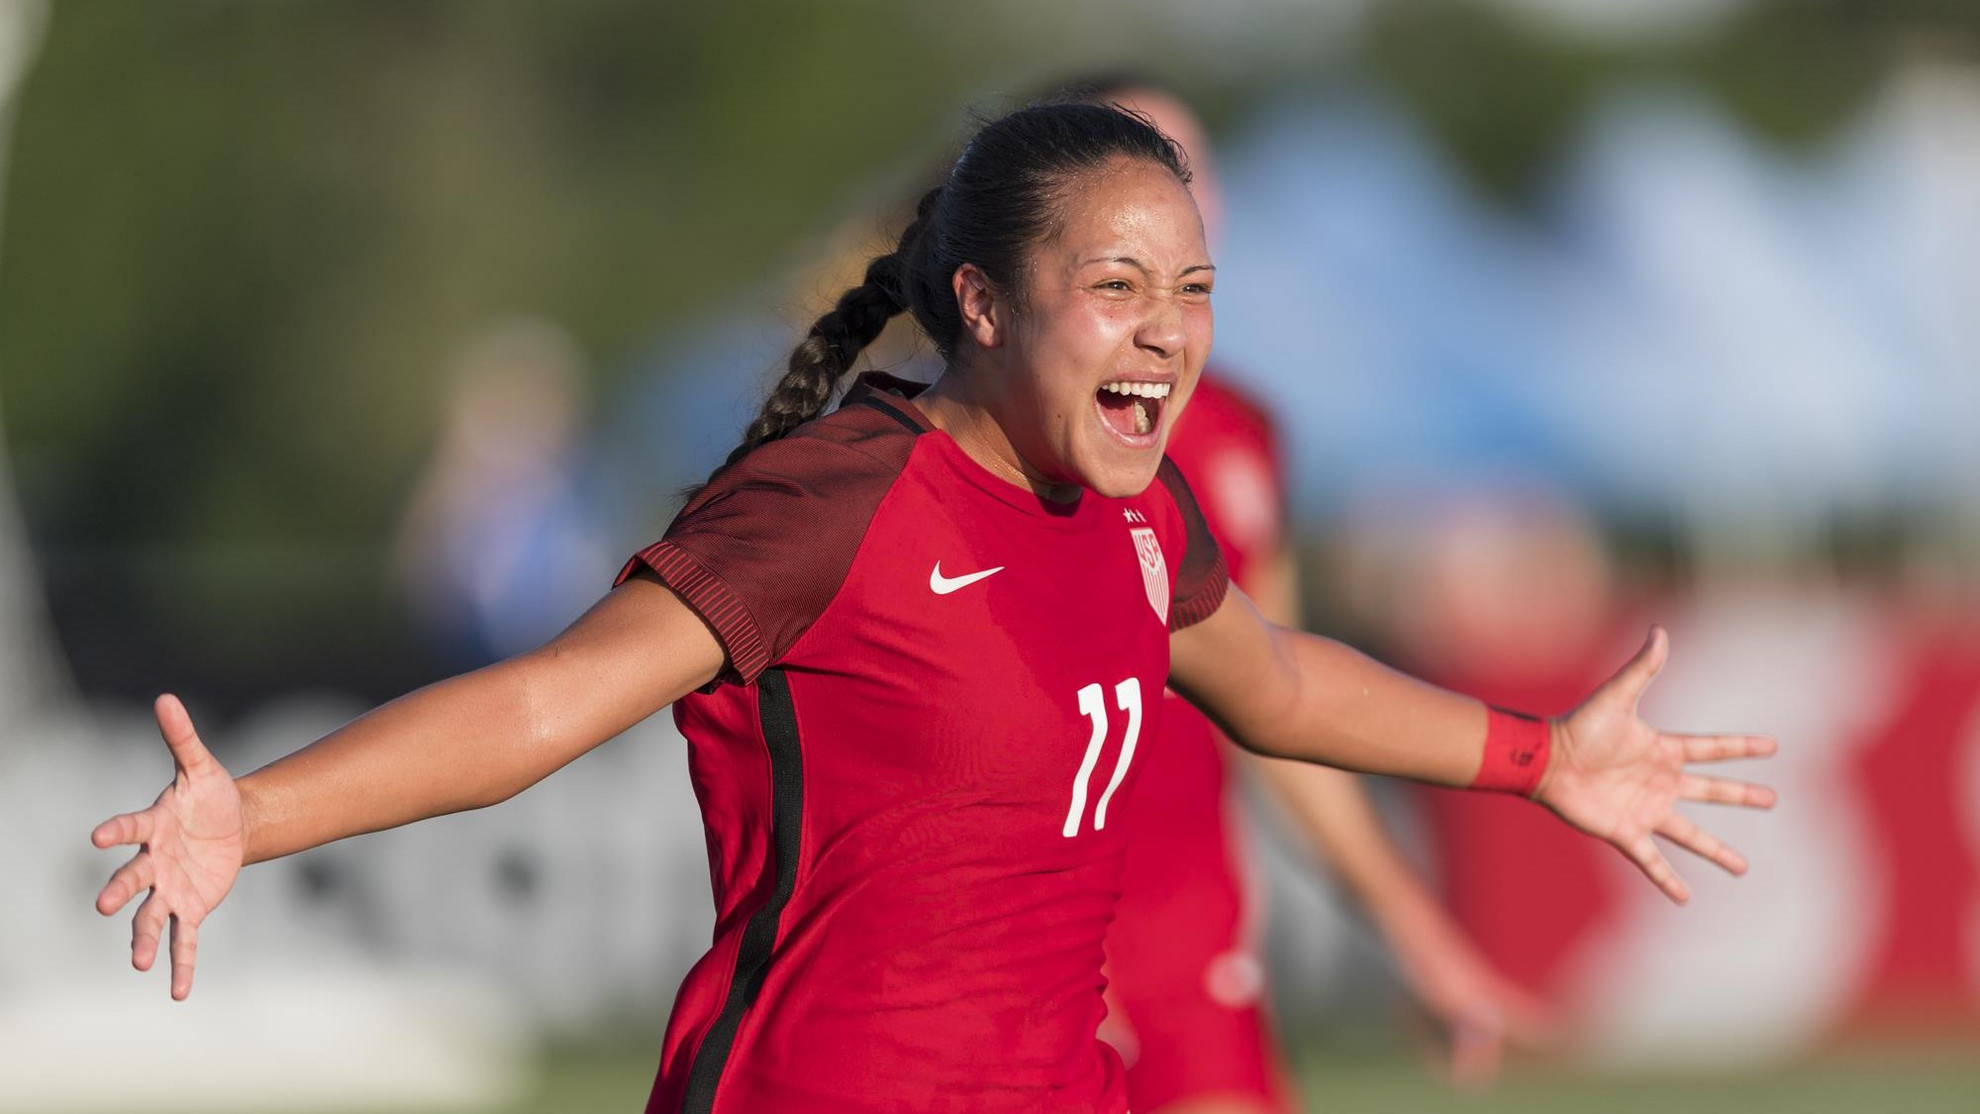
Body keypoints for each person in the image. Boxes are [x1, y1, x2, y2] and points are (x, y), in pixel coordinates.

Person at [91, 100, 1775, 1114]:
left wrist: (1540, 754)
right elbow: (541, 704)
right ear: (978, 301)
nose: (1167, 331)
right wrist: (261, 808)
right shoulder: (836, 499)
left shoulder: (1140, 508)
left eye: (1190, 290)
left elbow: (1278, 684)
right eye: (1113, 287)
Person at [1061, 79, 1547, 1114]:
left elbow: (1274, 700)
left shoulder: (1239, 437)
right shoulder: (965, 443)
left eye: (1191, 169)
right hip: (1012, 962)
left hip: (1188, 941)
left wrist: (1418, 930)